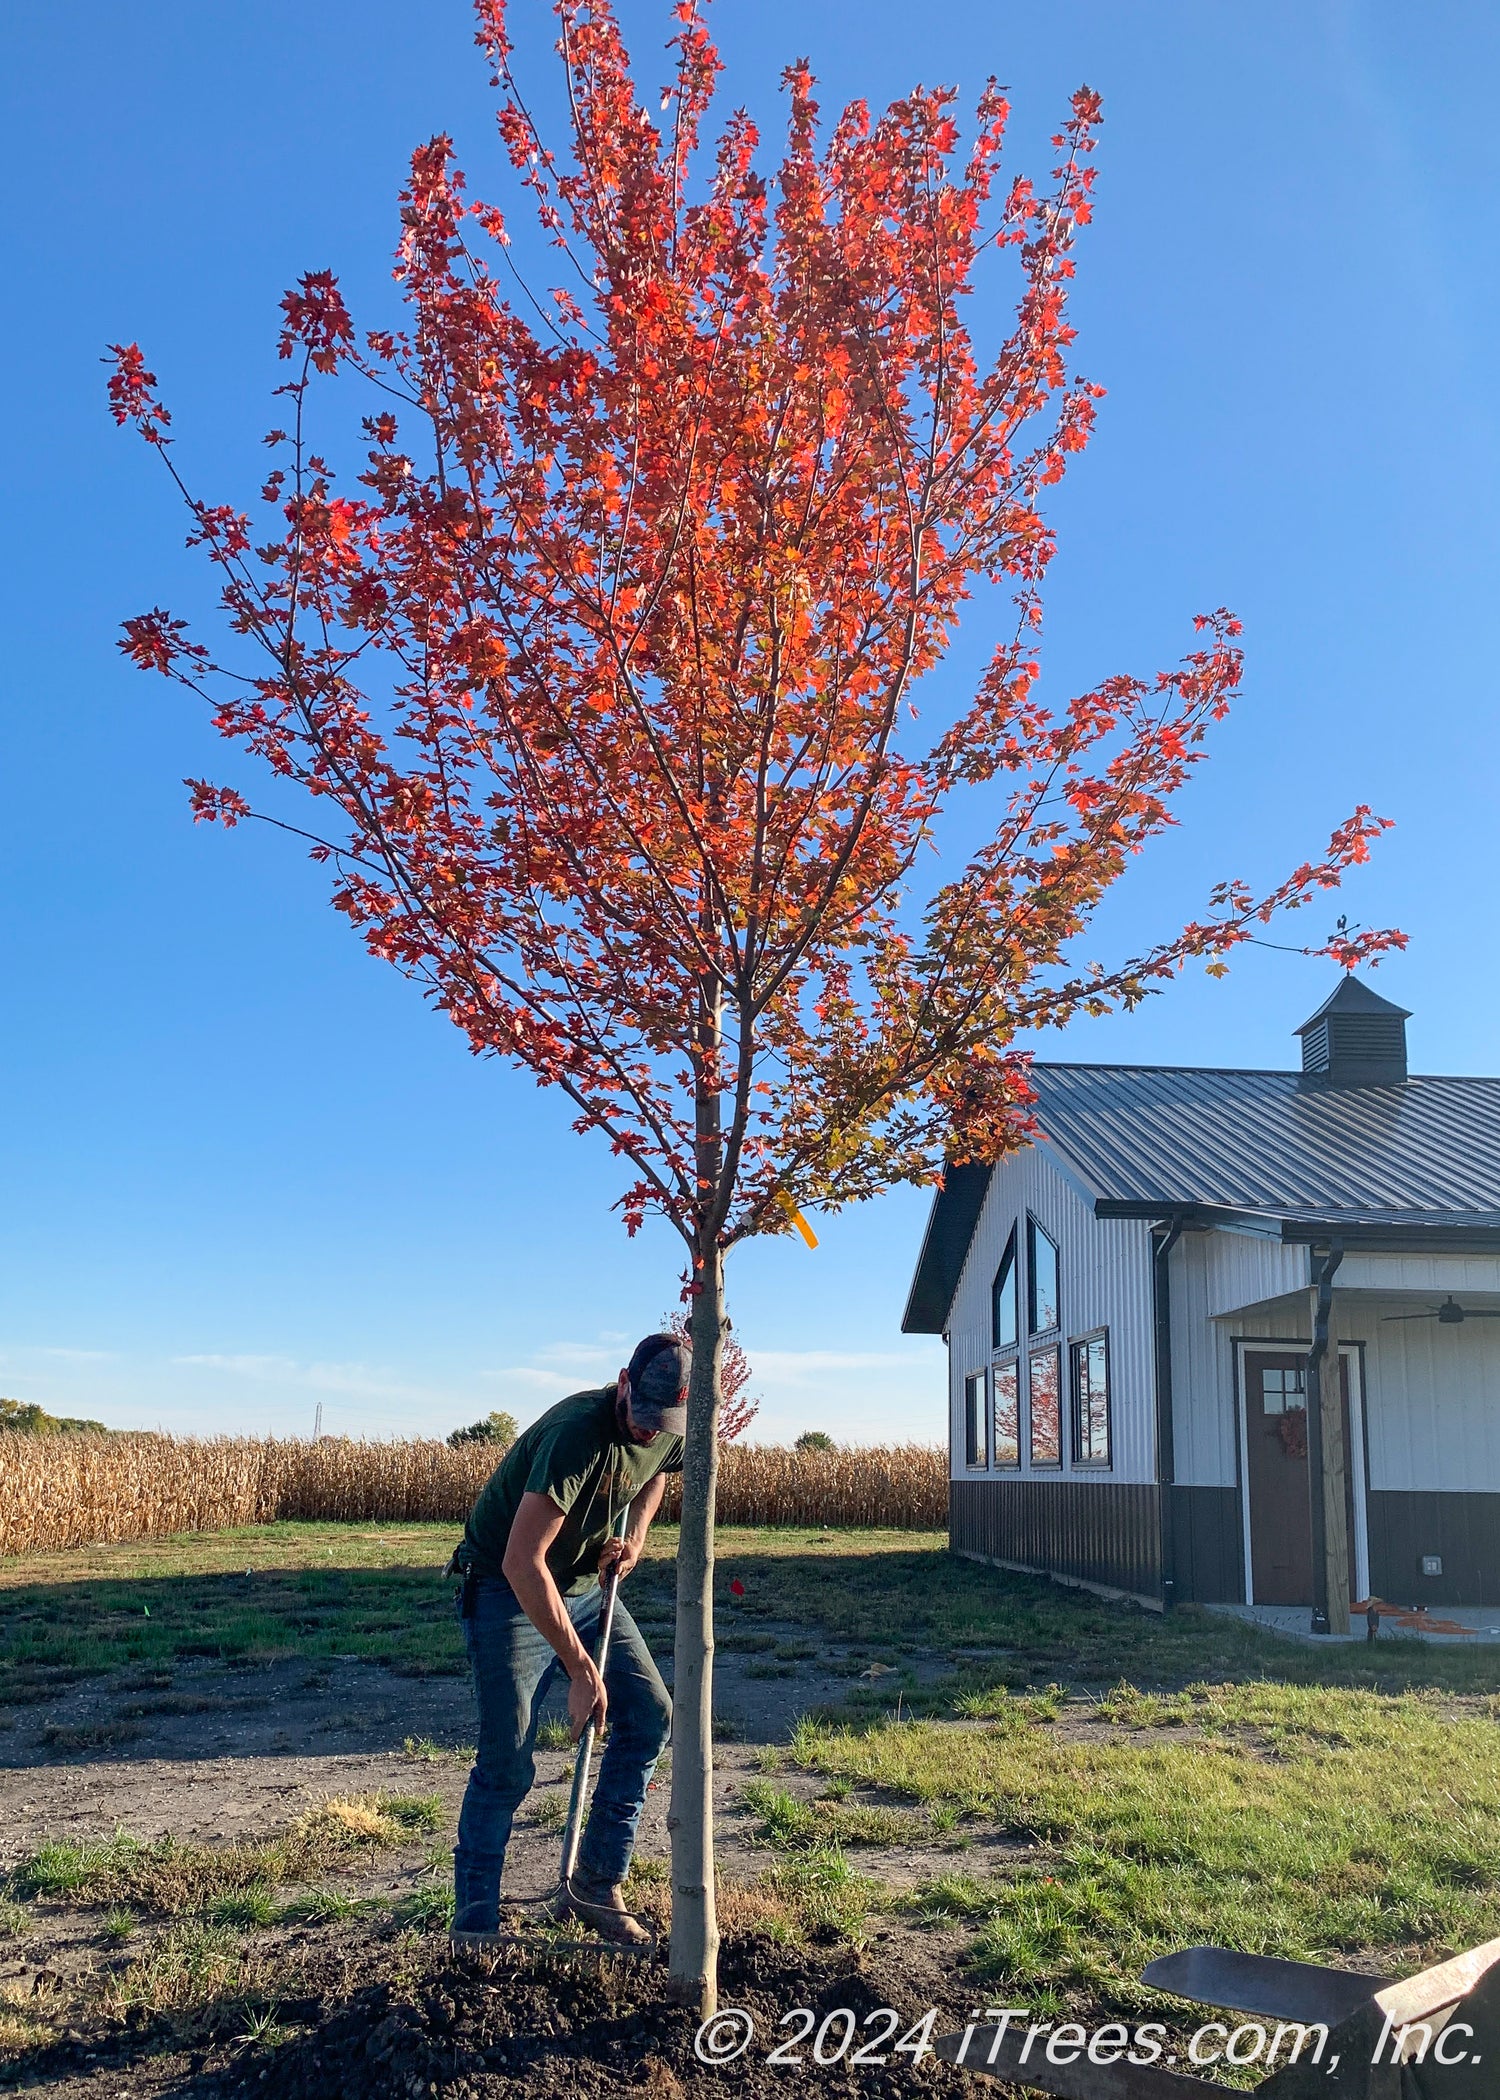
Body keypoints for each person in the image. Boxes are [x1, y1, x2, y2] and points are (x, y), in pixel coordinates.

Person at [448, 1331, 689, 1946]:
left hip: (582, 1584)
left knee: (649, 1715)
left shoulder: (668, 1425)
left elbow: (658, 1471)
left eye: (658, 1425)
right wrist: (581, 1669)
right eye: (639, 1418)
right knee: (508, 1757)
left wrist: (635, 1537)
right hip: (506, 1586)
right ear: (622, 1381)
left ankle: (594, 1885)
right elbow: (521, 1561)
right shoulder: (575, 1436)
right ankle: (475, 1925)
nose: (645, 1433)